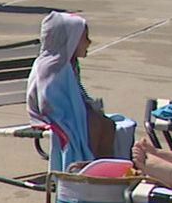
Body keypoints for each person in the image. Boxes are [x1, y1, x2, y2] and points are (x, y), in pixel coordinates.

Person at [24, 11, 126, 167]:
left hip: (71, 113)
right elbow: (47, 101)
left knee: (108, 124)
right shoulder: (51, 67)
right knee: (93, 124)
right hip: (52, 116)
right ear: (70, 40)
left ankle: (105, 167)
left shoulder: (69, 64)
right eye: (84, 38)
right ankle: (87, 166)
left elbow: (77, 94)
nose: (89, 42)